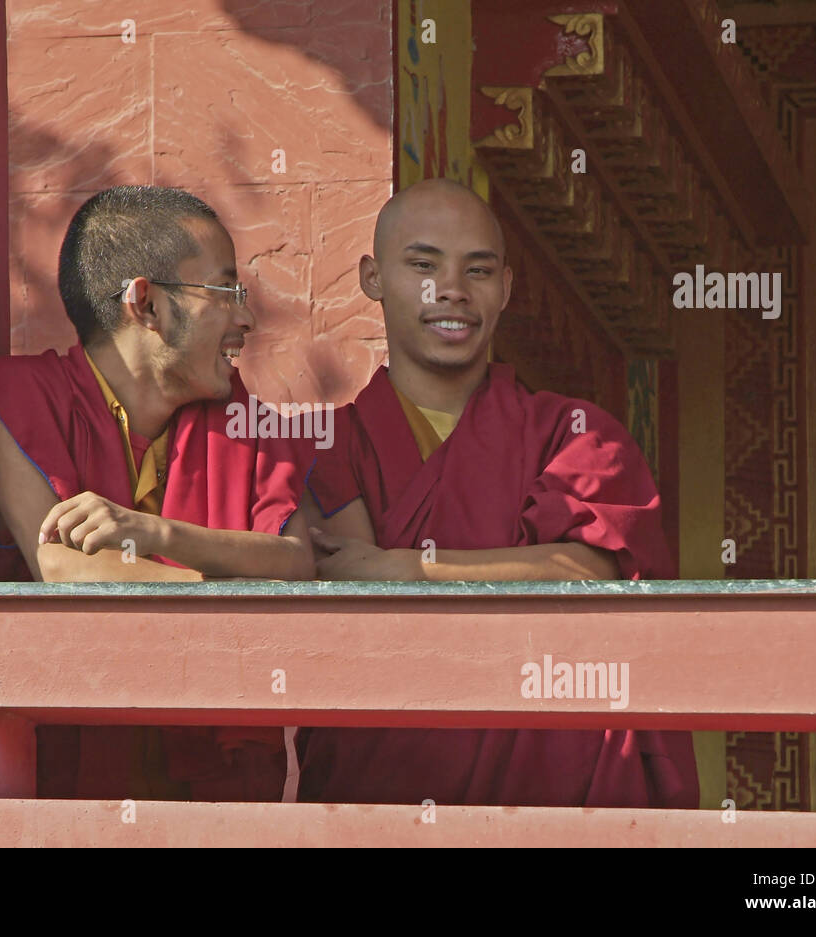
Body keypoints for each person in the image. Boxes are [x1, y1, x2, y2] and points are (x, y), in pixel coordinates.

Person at [294, 178, 698, 808]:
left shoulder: (573, 433)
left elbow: (588, 573)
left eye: (478, 270)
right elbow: (361, 612)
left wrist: (412, 568)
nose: (452, 290)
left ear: (506, 288)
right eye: (424, 265)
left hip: (553, 800)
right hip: (381, 797)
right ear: (373, 278)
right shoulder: (322, 448)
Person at [0, 185, 312, 801]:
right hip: (71, 778)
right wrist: (236, 590)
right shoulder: (16, 400)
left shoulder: (245, 427)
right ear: (147, 304)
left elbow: (295, 561)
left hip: (218, 802)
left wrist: (155, 534)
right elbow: (61, 566)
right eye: (226, 291)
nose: (246, 318)